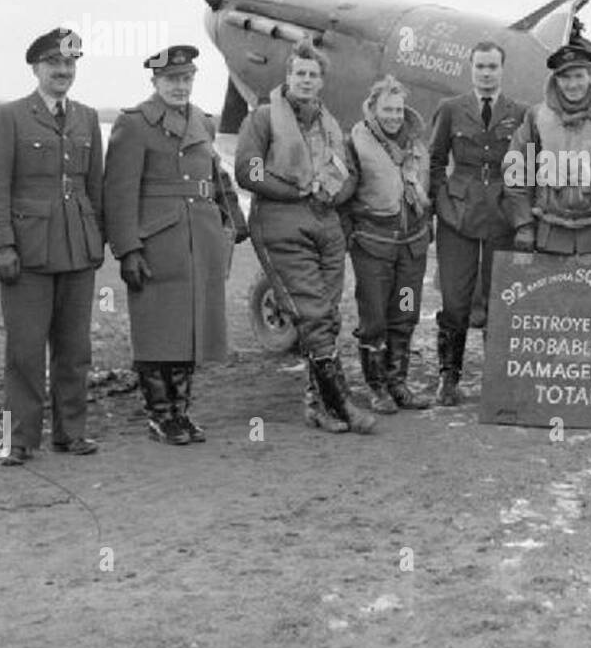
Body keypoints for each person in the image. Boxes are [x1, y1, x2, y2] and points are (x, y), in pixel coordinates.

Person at [106, 45, 249, 444]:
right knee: (156, 329)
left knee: (191, 330)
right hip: (158, 242)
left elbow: (215, 174)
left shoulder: (202, 121)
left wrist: (234, 216)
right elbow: (118, 193)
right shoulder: (133, 124)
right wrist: (127, 249)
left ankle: (181, 413)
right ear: (155, 82)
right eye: (172, 80)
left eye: (186, 79)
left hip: (200, 240)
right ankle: (159, 415)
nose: (180, 86)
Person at [0, 27, 104, 465]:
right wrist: (1, 246)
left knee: (74, 350)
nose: (63, 71)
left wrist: (97, 241)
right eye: (55, 64)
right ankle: (19, 438)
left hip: (77, 250)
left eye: (69, 64)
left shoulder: (87, 118)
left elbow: (96, 186)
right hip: (27, 253)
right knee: (25, 350)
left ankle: (70, 433)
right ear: (37, 68)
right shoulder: (9, 117)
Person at [235, 41, 375, 434]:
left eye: (313, 75)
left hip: (327, 225)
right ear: (288, 76)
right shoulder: (263, 118)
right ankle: (341, 402)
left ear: (322, 81)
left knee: (327, 316)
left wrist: (334, 193)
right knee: (312, 314)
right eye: (300, 73)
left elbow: (348, 174)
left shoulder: (330, 125)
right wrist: (296, 190)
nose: (306, 81)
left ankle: (318, 405)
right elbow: (249, 171)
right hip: (282, 223)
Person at [427, 39, 525, 405]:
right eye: (480, 67)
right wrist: (441, 201)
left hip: (501, 213)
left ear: (502, 70)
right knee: (455, 299)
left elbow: (527, 166)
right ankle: (448, 377)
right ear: (471, 70)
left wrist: (521, 214)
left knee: (501, 296)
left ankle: (497, 377)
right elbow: (435, 160)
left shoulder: (520, 112)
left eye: (492, 67)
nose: (486, 73)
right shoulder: (451, 109)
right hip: (459, 213)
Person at [342, 75, 435, 414]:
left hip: (411, 250)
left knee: (405, 313)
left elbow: (428, 192)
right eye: (387, 109)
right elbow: (345, 193)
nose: (394, 116)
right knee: (375, 319)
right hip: (373, 248)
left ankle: (398, 383)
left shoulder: (417, 147)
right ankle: (376, 387)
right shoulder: (355, 142)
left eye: (398, 109)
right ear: (373, 108)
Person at [503, 43, 591, 256]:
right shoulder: (536, 118)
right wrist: (524, 224)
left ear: (590, 76)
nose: (572, 84)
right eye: (565, 77)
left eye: (578, 76)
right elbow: (516, 174)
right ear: (555, 80)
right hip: (547, 235)